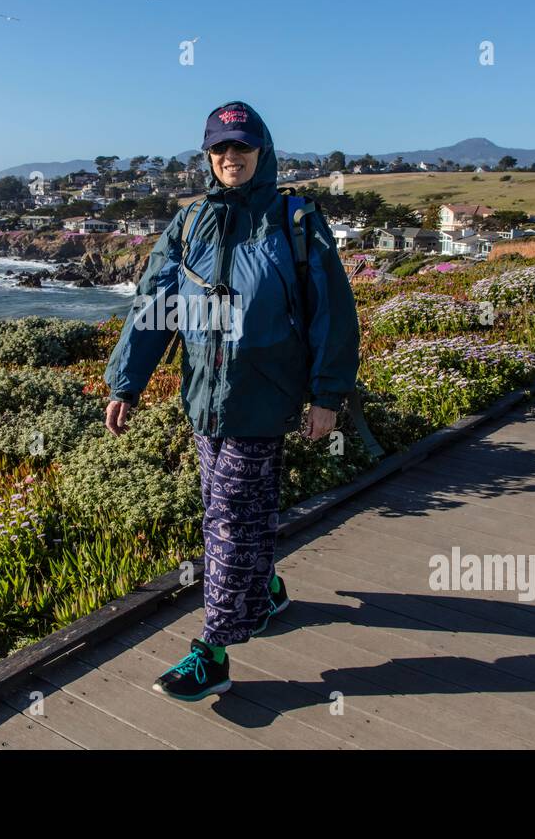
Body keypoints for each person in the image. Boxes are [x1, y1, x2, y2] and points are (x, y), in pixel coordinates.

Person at [103, 100, 360, 701]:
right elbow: (154, 307)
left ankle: (213, 650)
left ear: (261, 152)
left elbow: (333, 312)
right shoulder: (189, 223)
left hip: (261, 400)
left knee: (227, 523)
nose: (230, 157)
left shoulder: (295, 221)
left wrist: (327, 394)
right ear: (208, 156)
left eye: (241, 147)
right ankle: (264, 589)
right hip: (204, 401)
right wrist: (127, 383)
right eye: (220, 148)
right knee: (228, 511)